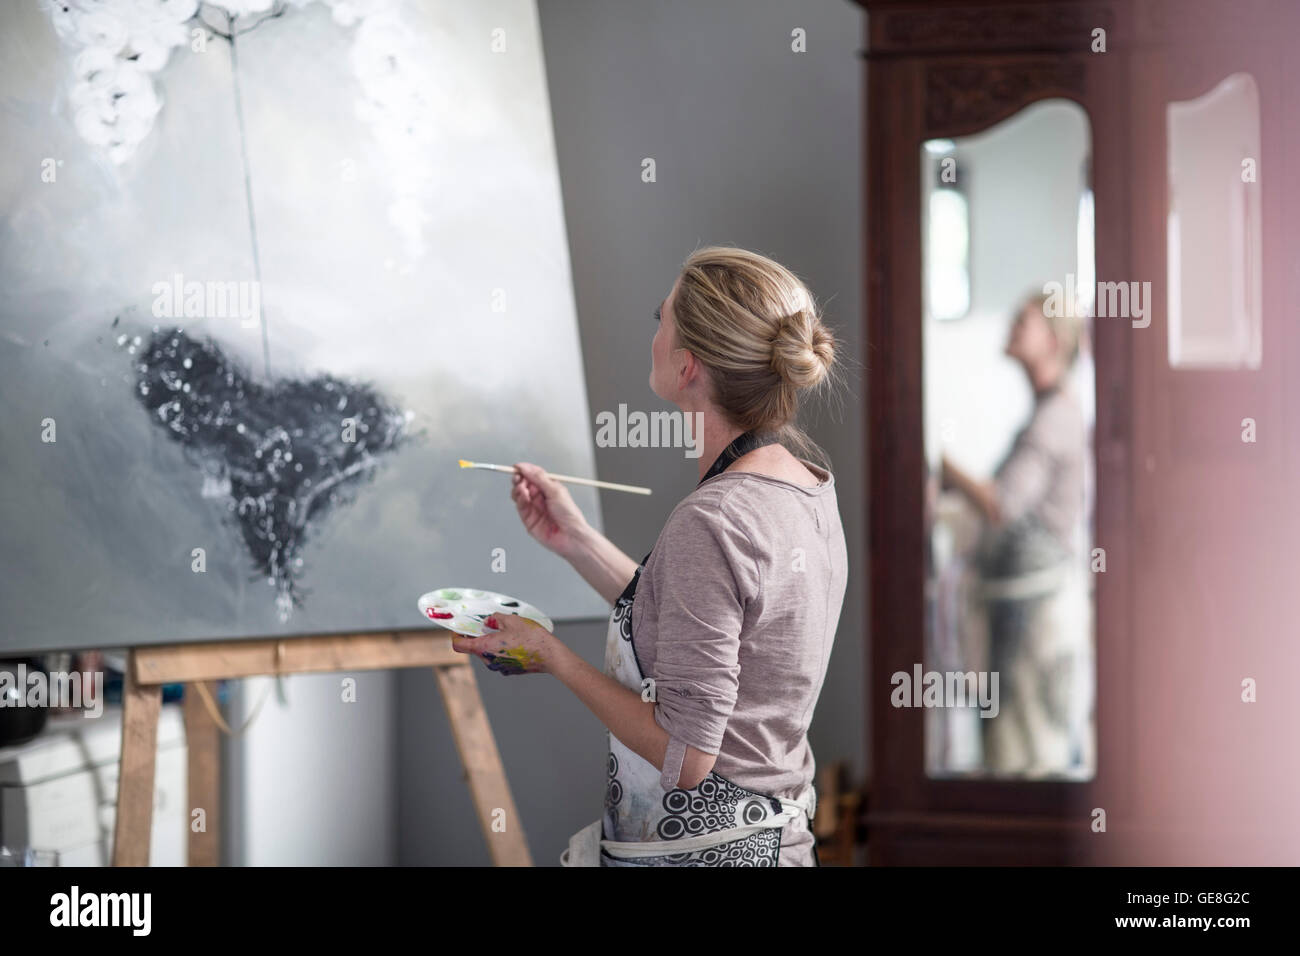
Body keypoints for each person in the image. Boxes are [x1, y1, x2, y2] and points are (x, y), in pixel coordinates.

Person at [448, 245, 849, 865]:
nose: (653, 328)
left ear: (688, 366)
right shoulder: (807, 487)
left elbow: (685, 758)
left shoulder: (713, 520)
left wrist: (553, 655)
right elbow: (699, 623)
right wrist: (574, 539)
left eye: (660, 316)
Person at [939, 291, 1089, 775]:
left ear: (1053, 340)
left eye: (1022, 320)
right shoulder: (1047, 413)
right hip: (1020, 610)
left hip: (1038, 617)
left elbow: (1001, 502)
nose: (1010, 326)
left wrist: (941, 466)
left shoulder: (1056, 418)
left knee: (1027, 757)